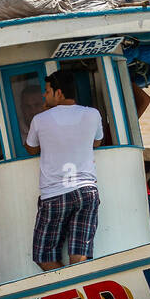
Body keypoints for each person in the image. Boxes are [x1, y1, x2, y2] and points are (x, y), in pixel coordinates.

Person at [24, 70, 103, 271]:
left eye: (47, 91)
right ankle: (77, 286)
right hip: (87, 191)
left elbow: (31, 147)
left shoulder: (40, 119)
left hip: (54, 194)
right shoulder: (92, 114)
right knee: (80, 254)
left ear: (59, 93)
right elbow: (97, 141)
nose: (44, 95)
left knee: (43, 254)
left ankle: (66, 285)